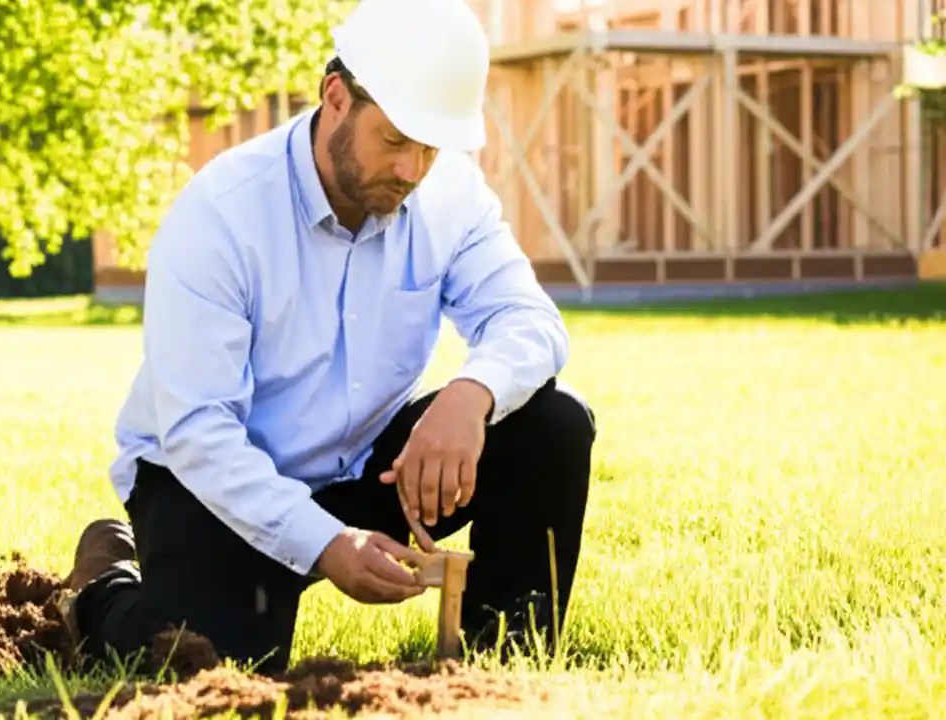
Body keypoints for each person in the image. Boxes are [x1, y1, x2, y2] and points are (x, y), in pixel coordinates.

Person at [57, 0, 596, 675]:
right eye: (395, 140)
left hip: (362, 461)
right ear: (335, 96)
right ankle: (103, 594)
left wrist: (471, 394)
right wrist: (327, 543)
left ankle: (498, 666)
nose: (411, 170)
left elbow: (531, 320)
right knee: (219, 672)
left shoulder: (450, 195)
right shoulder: (221, 215)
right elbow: (199, 429)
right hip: (207, 479)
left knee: (553, 421)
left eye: (431, 148)